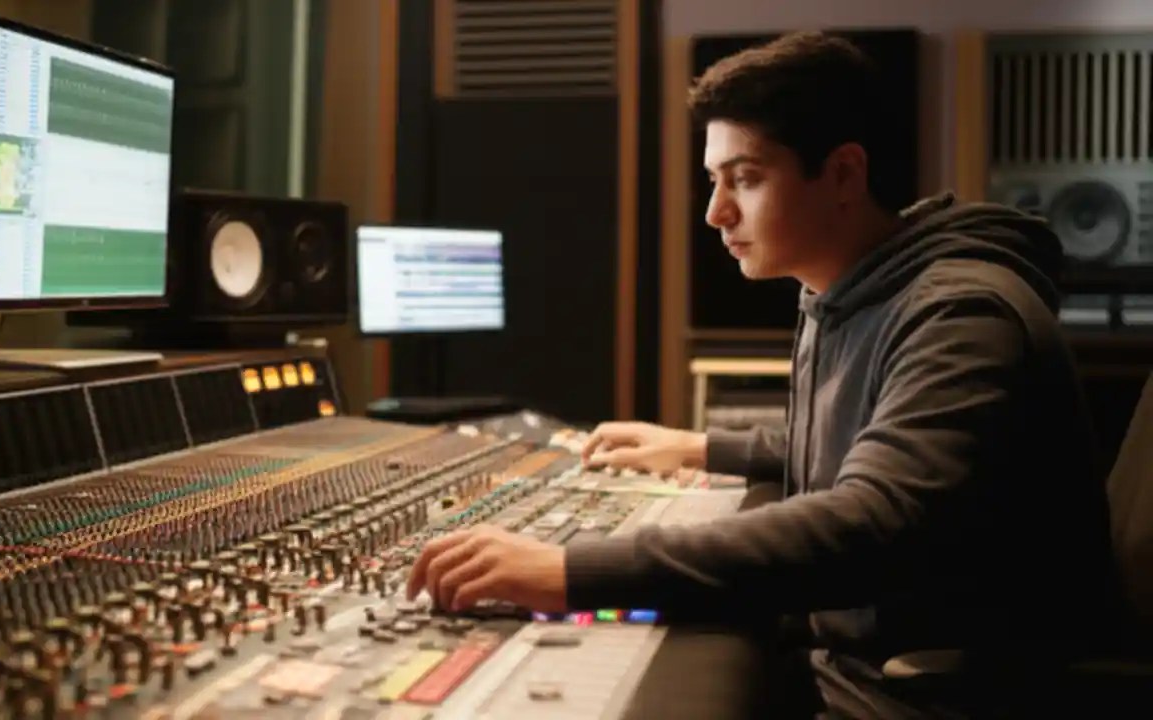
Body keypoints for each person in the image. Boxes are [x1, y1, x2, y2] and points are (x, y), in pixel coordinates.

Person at [406, 30, 1118, 718]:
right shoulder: (849, 291)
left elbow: (878, 518)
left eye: (745, 178)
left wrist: (573, 572)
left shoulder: (962, 314)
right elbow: (860, 445)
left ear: (842, 174)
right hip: (858, 669)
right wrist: (699, 448)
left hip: (923, 695)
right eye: (714, 180)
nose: (717, 212)